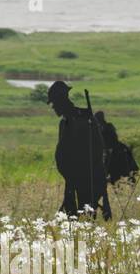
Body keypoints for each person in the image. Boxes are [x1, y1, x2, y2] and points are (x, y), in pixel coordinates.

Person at [47, 81, 110, 220]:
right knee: (72, 218)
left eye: (54, 103)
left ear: (61, 100)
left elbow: (95, 150)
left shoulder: (81, 119)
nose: (53, 107)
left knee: (83, 217)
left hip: (87, 179)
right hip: (73, 180)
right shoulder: (67, 121)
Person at [94, 111, 139, 185]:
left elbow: (113, 139)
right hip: (109, 149)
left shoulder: (107, 127)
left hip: (113, 149)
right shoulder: (101, 128)